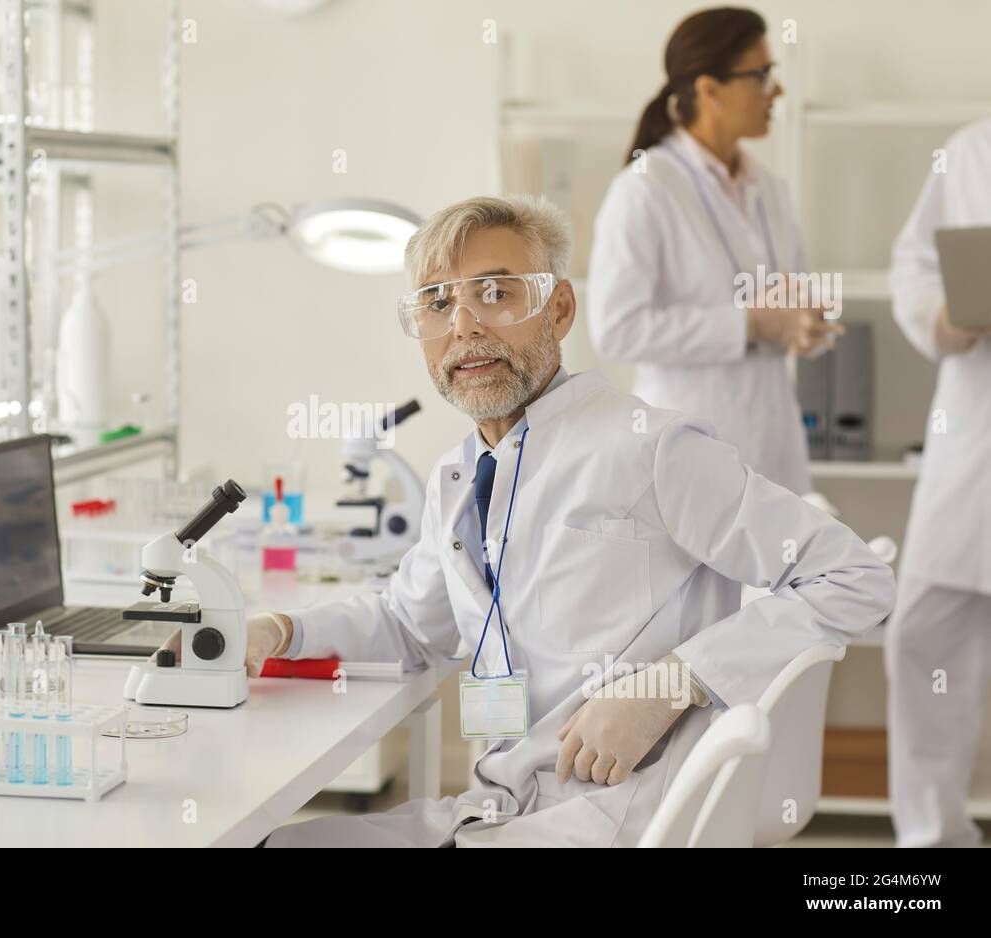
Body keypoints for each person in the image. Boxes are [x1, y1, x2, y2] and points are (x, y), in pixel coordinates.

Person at [157, 194, 894, 847]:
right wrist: (278, 631)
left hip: (612, 816)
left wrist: (675, 681)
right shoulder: (460, 475)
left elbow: (856, 577)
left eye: (498, 293)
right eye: (438, 303)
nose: (465, 325)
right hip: (499, 808)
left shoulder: (651, 448)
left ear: (561, 310)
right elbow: (412, 626)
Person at [587, 6, 841, 495]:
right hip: (687, 448)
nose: (777, 91)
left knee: (783, 565)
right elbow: (616, 328)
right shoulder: (645, 187)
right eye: (762, 76)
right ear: (709, 90)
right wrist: (752, 323)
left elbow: (790, 293)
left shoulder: (771, 188)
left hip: (774, 445)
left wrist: (802, 323)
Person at [886, 117, 991, 848]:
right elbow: (915, 268)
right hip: (974, 432)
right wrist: (947, 315)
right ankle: (935, 841)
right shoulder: (974, 150)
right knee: (922, 637)